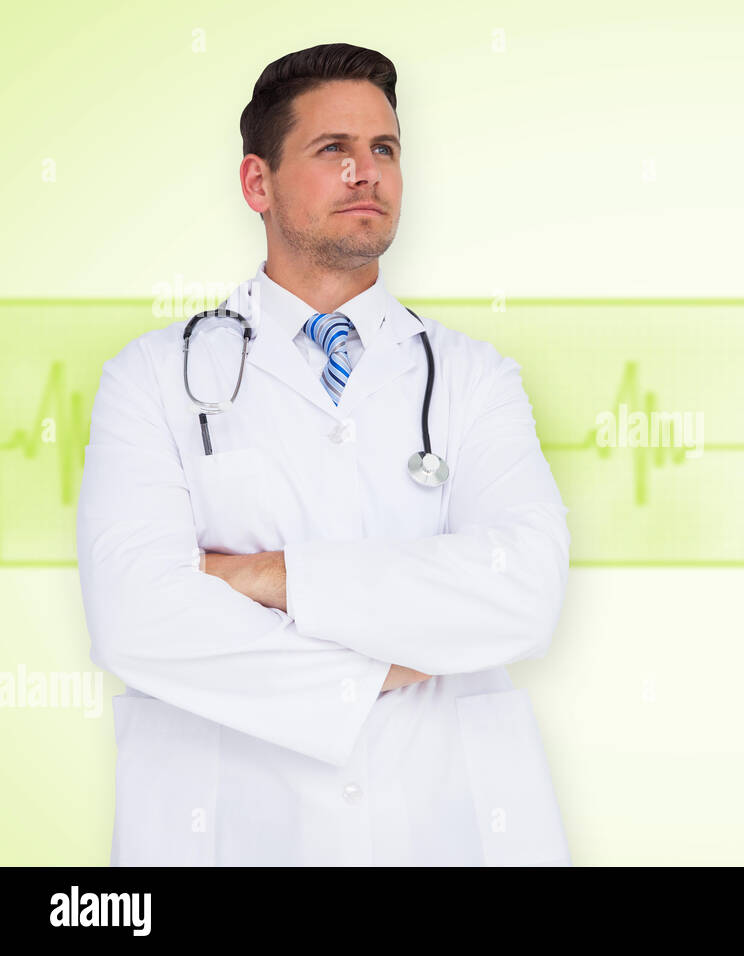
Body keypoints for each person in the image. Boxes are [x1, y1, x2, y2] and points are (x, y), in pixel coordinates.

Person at [75, 43, 573, 866]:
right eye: (332, 149)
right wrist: (384, 665)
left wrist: (269, 577)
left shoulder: (475, 378)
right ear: (256, 185)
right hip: (238, 829)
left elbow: (526, 592)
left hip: (451, 828)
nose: (365, 172)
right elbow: (136, 616)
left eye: (384, 149)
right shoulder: (152, 378)